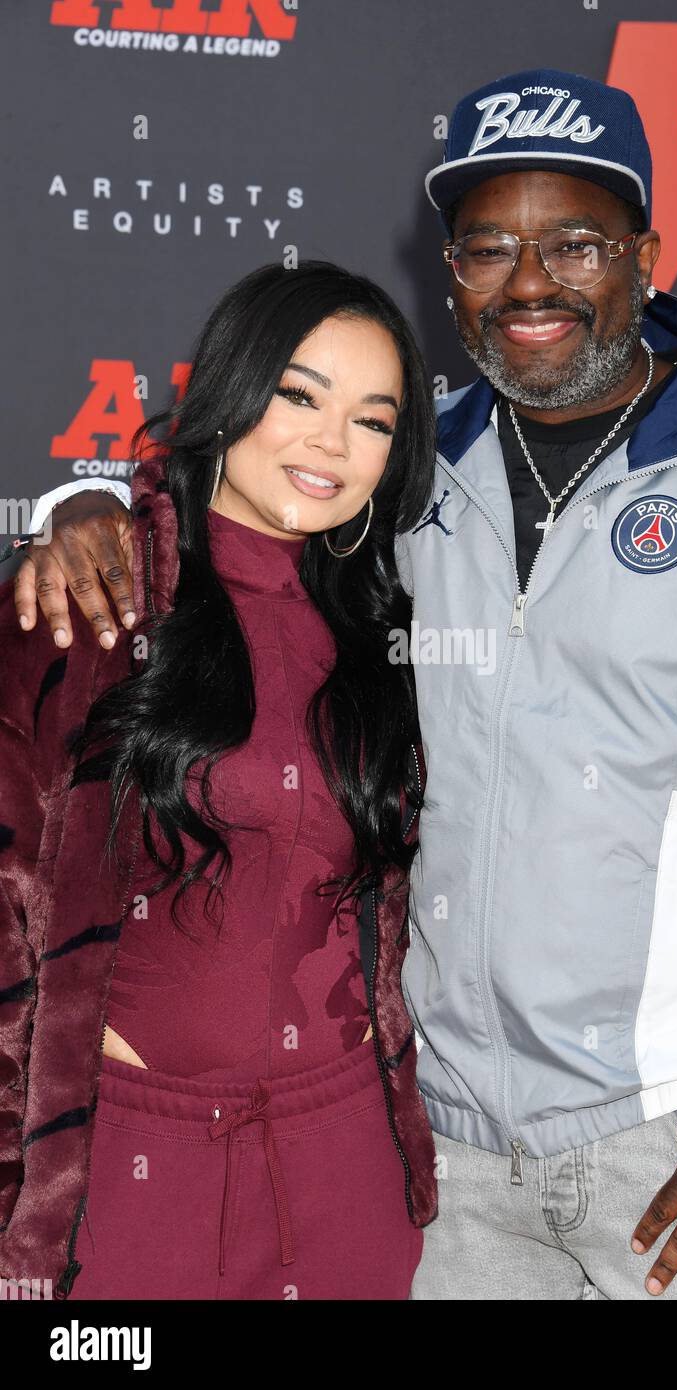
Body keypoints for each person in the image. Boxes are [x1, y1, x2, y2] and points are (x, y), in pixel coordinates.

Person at [14, 70, 677, 1302]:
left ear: (643, 253)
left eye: (574, 244)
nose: (529, 284)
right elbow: (235, 523)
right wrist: (83, 511)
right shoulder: (415, 468)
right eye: (488, 251)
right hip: (444, 1144)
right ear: (451, 273)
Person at [0, 260, 440, 1301]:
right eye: (298, 394)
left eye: (373, 419)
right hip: (126, 1171)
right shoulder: (93, 605)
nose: (332, 443)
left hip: (345, 1164)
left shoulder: (394, 628)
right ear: (230, 388)